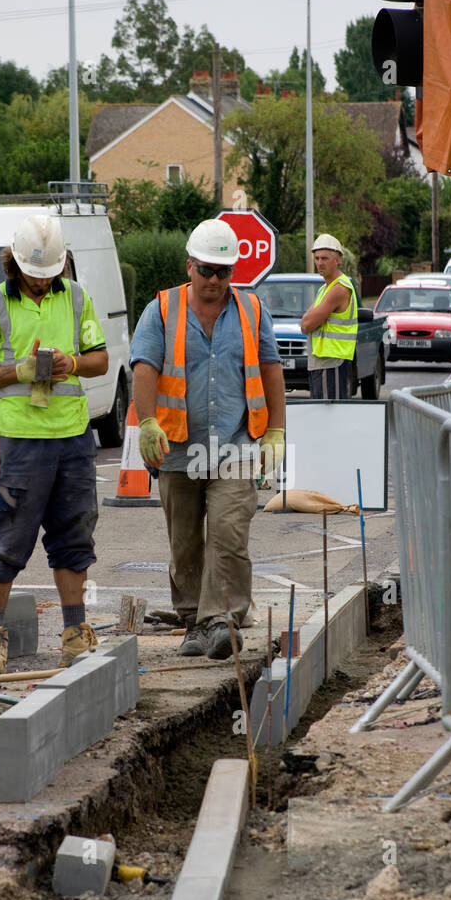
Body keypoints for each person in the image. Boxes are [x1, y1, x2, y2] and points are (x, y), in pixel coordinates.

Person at [129, 218, 286, 660]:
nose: (215, 280)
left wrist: (276, 430)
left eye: (224, 272)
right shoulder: (162, 309)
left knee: (228, 532)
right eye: (206, 271)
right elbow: (144, 367)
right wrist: (146, 422)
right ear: (190, 267)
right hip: (178, 447)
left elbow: (271, 370)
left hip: (235, 443)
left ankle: (222, 620)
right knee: (185, 544)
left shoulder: (252, 310)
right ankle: (193, 621)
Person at [0, 214, 109, 674]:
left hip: (73, 438)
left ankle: (73, 633)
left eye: (50, 275)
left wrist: (74, 363)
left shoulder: (78, 298)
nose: (43, 283)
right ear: (15, 264)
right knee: (6, 538)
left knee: (74, 535)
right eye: (35, 274)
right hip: (18, 441)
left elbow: (101, 360)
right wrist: (19, 371)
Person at [300, 234, 358, 399]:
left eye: (324, 258)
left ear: (337, 259)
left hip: (331, 362)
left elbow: (306, 324)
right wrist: (308, 321)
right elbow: (306, 323)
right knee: (321, 414)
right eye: (317, 258)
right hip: (322, 361)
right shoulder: (325, 289)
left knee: (330, 415)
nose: (319, 263)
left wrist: (308, 321)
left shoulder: (339, 288)